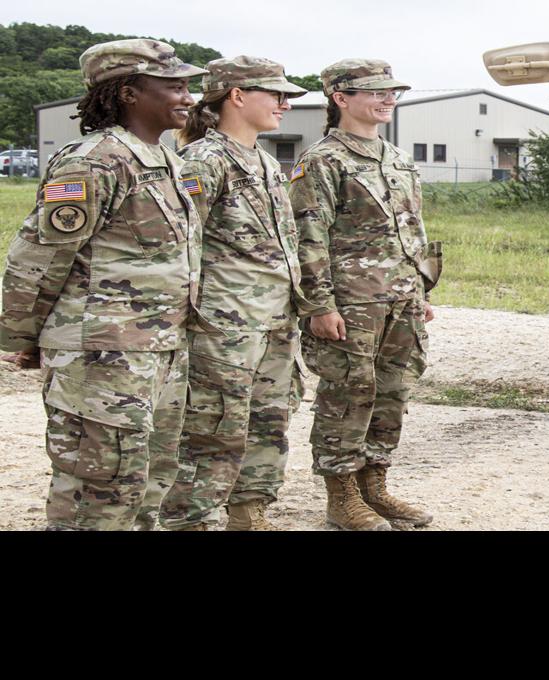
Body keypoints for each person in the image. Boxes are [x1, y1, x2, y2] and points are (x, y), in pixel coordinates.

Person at [0, 40, 207, 530]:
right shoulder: (95, 161)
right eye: (174, 85)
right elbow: (40, 257)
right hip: (101, 355)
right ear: (129, 92)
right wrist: (22, 338)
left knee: (149, 481)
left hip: (159, 350)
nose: (188, 97)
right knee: (99, 490)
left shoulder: (165, 160)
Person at [152, 56, 314, 531]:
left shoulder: (263, 160)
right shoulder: (205, 160)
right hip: (224, 328)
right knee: (212, 430)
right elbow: (180, 245)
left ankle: (248, 512)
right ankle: (190, 521)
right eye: (276, 94)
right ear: (237, 96)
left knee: (269, 420)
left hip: (272, 323)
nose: (284, 104)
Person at [288, 59, 438, 531]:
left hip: (400, 300)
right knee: (348, 395)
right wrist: (318, 305)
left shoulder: (396, 158)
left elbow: (413, 231)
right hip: (351, 303)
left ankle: (375, 488)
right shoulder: (322, 160)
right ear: (340, 98)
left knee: (392, 393)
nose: (388, 98)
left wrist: (420, 291)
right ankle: (342, 496)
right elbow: (308, 237)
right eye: (376, 91)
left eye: (392, 91)